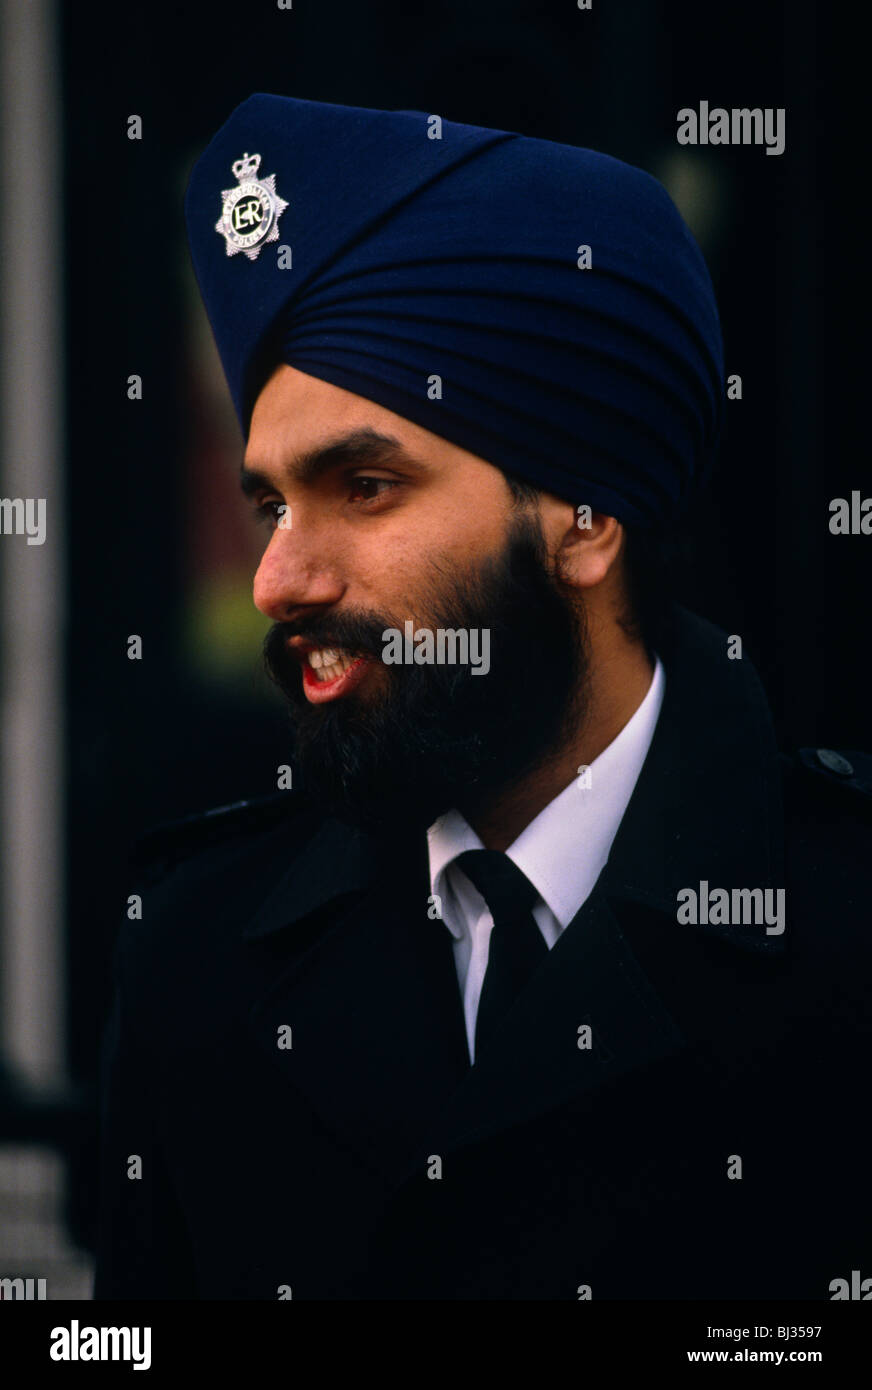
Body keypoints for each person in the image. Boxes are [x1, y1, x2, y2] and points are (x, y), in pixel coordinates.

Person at [93, 94, 871, 1300]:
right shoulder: (198, 958)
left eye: (363, 484)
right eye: (270, 504)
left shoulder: (838, 928)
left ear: (584, 520)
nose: (276, 579)